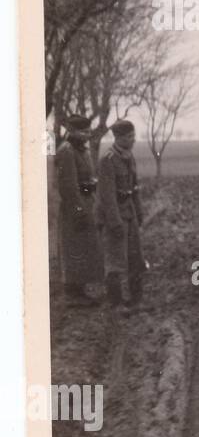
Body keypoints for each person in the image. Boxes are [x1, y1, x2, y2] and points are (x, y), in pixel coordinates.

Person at [96, 119, 146, 308]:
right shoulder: (107, 160)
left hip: (129, 213)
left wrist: (139, 212)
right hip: (114, 216)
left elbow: (134, 188)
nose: (133, 140)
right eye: (129, 137)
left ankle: (135, 300)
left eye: (133, 136)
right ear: (118, 138)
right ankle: (115, 304)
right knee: (115, 261)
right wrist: (115, 222)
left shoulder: (129, 157)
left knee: (135, 257)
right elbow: (107, 196)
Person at [54, 115, 102, 306]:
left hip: (86, 200)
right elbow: (68, 186)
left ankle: (80, 289)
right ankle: (72, 293)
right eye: (84, 131)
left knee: (83, 246)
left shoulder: (81, 149)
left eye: (89, 131)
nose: (88, 135)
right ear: (72, 131)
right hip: (75, 205)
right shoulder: (66, 151)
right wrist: (78, 209)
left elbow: (87, 177)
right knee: (73, 246)